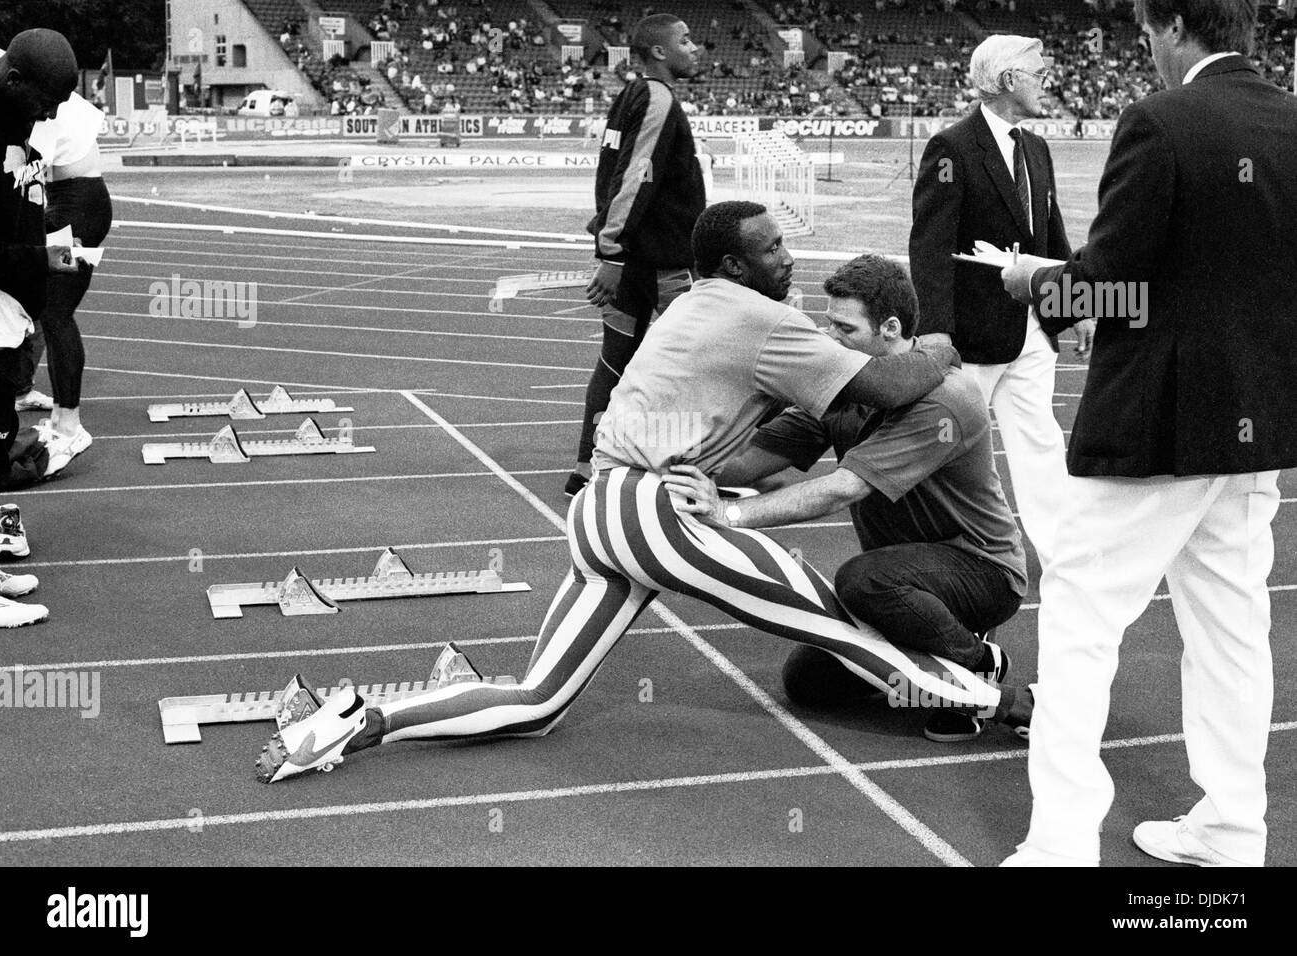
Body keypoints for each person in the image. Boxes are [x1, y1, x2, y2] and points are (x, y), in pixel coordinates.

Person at [255, 201, 1028, 784]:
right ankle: (1006, 702)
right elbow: (890, 382)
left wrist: (719, 477)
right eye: (774, 248)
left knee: (536, 700)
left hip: (597, 507)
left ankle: (370, 717)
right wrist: (950, 337)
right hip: (654, 511)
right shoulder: (761, 315)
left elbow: (756, 452)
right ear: (734, 266)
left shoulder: (688, 306)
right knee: (845, 630)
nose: (788, 258)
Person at [999, 0, 1297, 867]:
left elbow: (1107, 281)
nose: (1148, 53)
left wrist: (1038, 284)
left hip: (1156, 426)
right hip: (1254, 426)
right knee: (1233, 627)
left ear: (1171, 26)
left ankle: (1060, 845)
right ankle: (1234, 829)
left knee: (1082, 622)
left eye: (1144, 35)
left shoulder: (1160, 122)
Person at [667, 254, 1031, 743]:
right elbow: (755, 458)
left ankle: (976, 664)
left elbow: (843, 488)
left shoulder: (945, 398)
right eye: (828, 323)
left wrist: (728, 513)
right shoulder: (849, 383)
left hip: (980, 570)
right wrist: (679, 457)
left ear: (890, 327)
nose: (830, 338)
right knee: (807, 683)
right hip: (904, 576)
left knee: (863, 581)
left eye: (844, 328)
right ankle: (936, 659)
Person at [908, 35, 1092, 574]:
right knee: (946, 443)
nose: (1047, 79)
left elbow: (1050, 236)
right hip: (973, 336)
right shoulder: (952, 147)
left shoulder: (1035, 147)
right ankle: (929, 548)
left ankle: (1062, 557)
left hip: (1033, 328)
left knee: (1039, 441)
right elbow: (931, 245)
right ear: (1009, 80)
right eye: (1038, 71)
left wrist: (1073, 303)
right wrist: (937, 331)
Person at [564, 13, 706, 497]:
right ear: (660, 52)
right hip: (659, 265)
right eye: (685, 40)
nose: (696, 47)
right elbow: (631, 178)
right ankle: (683, 471)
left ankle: (587, 468)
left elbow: (611, 174)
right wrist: (612, 252)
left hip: (629, 260)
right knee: (687, 362)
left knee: (615, 360)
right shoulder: (658, 98)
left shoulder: (630, 94)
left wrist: (608, 242)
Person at [0, 29, 80, 627]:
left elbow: (24, 209)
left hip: (10, 311)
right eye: (44, 100)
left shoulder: (18, 127)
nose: (50, 114)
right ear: (13, 79)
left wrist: (49, 260)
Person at [27, 89, 111, 475]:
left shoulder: (24, 85)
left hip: (76, 206)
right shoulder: (30, 73)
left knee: (57, 313)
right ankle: (58, 414)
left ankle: (69, 425)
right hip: (73, 201)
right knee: (49, 308)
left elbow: (29, 165)